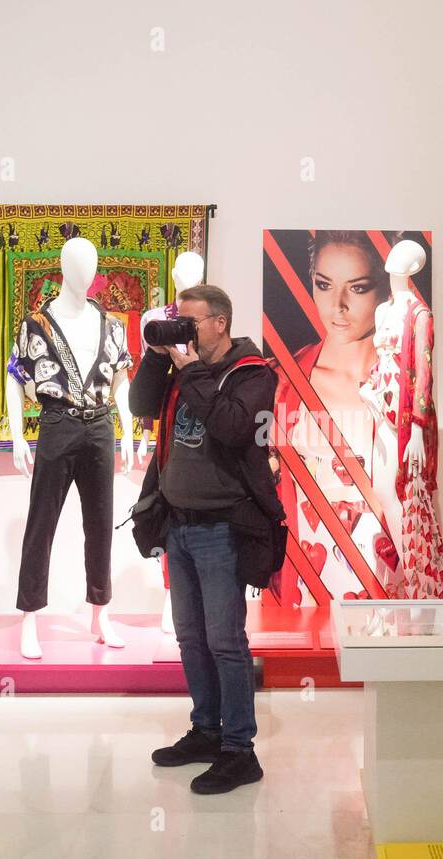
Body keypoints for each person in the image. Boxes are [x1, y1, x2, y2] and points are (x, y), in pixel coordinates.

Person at [129, 284, 283, 795]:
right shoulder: (180, 370)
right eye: (180, 322)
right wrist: (157, 359)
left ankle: (240, 750)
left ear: (220, 322)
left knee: (225, 641)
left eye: (191, 323)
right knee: (191, 638)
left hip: (222, 528)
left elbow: (234, 428)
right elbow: (139, 405)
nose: (184, 331)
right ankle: (206, 730)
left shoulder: (252, 373)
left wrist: (190, 369)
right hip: (179, 524)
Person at [268, 231, 400, 601]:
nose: (337, 305)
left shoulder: (400, 382)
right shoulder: (281, 380)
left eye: (357, 288)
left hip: (383, 573)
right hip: (301, 575)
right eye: (324, 285)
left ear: (383, 291)